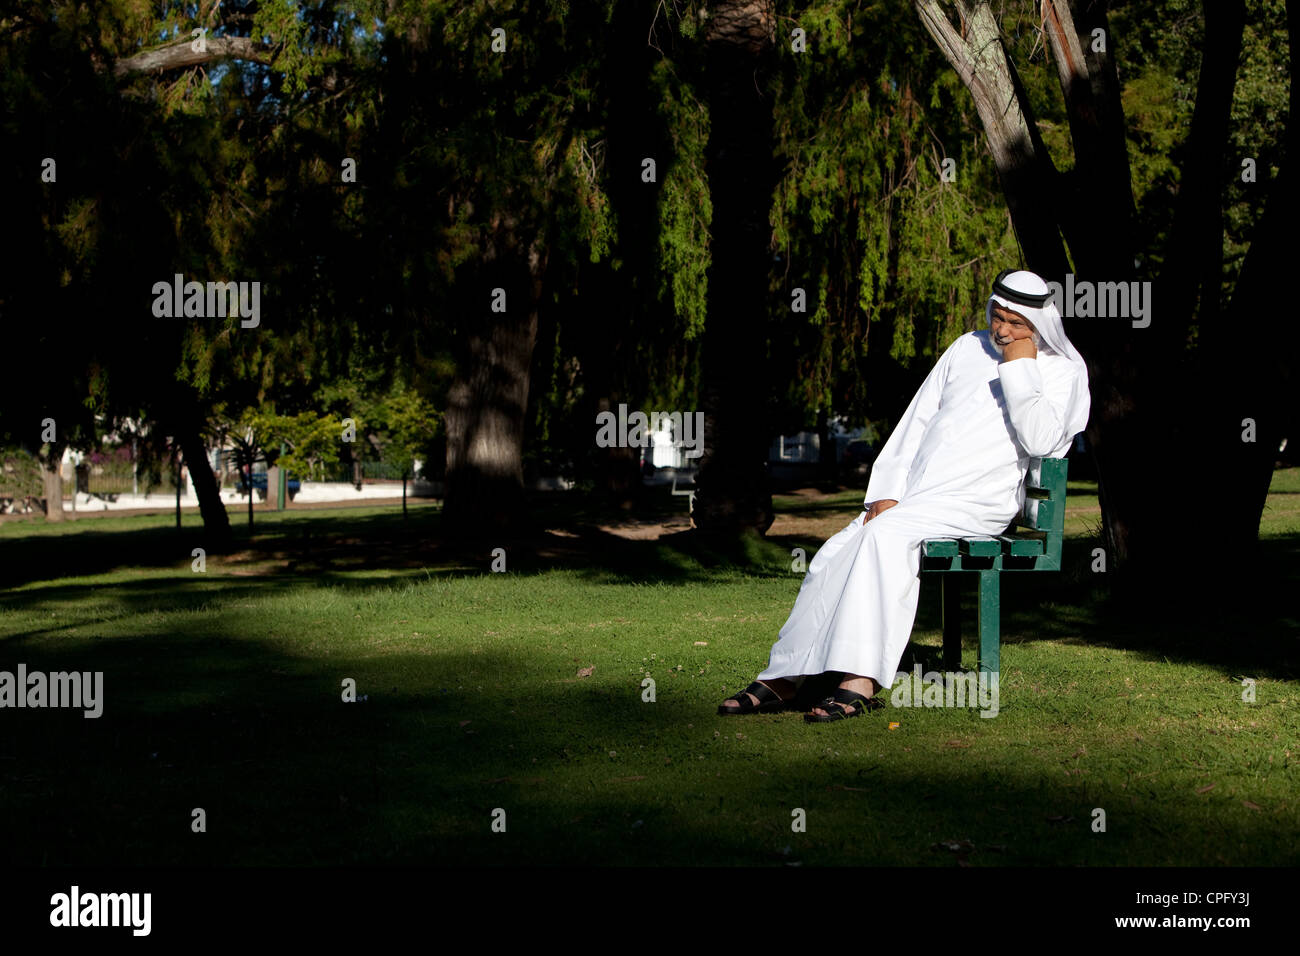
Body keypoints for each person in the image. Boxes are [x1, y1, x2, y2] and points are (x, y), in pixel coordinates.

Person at [719, 269, 1091, 721]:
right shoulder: (965, 347)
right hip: (919, 498)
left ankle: (860, 681)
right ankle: (784, 676)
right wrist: (887, 491)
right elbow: (917, 421)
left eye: (1017, 323)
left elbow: (1040, 440)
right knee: (837, 550)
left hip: (980, 503)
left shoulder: (1063, 371)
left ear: (1038, 324)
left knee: (884, 542)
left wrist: (1021, 365)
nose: (1003, 330)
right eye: (998, 315)